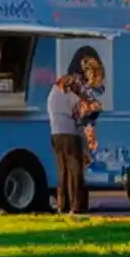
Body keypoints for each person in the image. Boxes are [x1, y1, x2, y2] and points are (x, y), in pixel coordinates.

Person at [49, 74, 88, 214]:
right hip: (70, 134)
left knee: (62, 170)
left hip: (56, 134)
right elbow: (80, 111)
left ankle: (62, 204)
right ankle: (76, 205)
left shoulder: (52, 95)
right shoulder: (69, 95)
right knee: (75, 170)